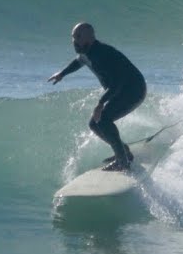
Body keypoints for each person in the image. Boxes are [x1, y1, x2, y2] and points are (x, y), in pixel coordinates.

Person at [47, 23, 147, 171]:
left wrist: (100, 104)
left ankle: (123, 161)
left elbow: (116, 84)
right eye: (73, 37)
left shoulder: (101, 55)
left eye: (78, 37)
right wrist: (62, 74)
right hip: (121, 90)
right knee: (94, 124)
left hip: (133, 90)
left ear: (90, 37)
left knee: (104, 119)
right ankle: (123, 151)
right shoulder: (87, 51)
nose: (74, 41)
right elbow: (80, 61)